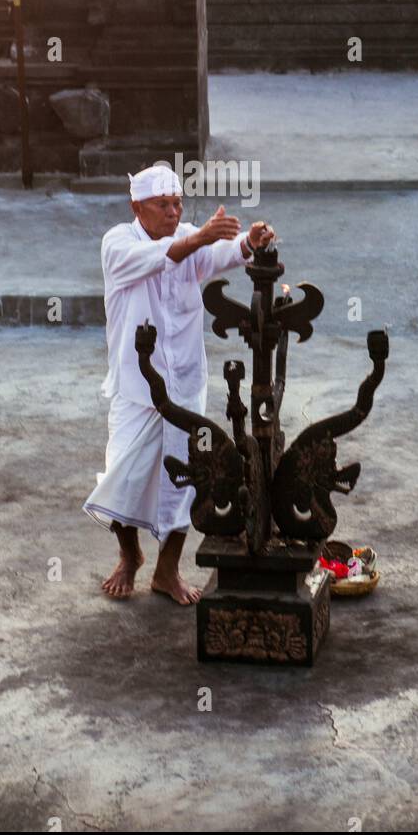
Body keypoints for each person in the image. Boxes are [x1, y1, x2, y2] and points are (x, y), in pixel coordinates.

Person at [84, 163, 274, 604]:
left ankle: (167, 571)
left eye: (177, 204)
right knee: (122, 476)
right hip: (136, 386)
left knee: (187, 478)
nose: (173, 212)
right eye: (163, 205)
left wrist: (250, 240)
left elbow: (222, 254)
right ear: (138, 207)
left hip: (185, 384)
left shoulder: (193, 236)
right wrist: (201, 237)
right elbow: (170, 253)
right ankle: (130, 555)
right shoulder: (118, 243)